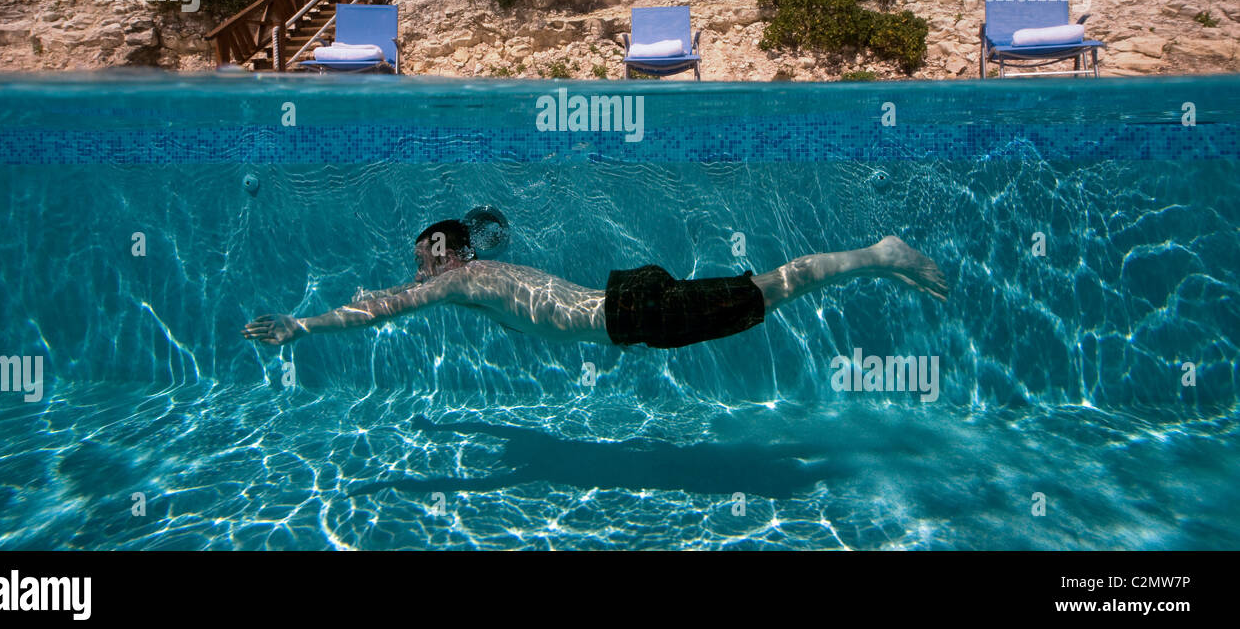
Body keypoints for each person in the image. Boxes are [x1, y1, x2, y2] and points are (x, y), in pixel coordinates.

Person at [243, 215, 948, 349]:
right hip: (627, 306)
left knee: (765, 292)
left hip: (629, 311)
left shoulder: (454, 279)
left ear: (439, 251)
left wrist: (303, 325)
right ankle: (875, 258)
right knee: (760, 293)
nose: (416, 272)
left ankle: (878, 254)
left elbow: (377, 310)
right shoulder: (483, 271)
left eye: (421, 259)